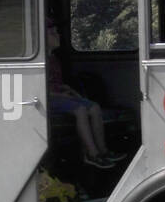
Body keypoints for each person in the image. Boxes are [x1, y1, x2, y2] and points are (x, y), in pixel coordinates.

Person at [46, 20, 126, 170]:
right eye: (52, 33)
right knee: (80, 110)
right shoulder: (42, 61)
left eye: (56, 32)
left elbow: (58, 84)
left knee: (94, 107)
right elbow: (42, 89)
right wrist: (66, 97)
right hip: (49, 99)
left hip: (61, 96)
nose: (57, 36)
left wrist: (72, 92)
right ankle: (92, 154)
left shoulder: (54, 59)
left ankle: (103, 151)